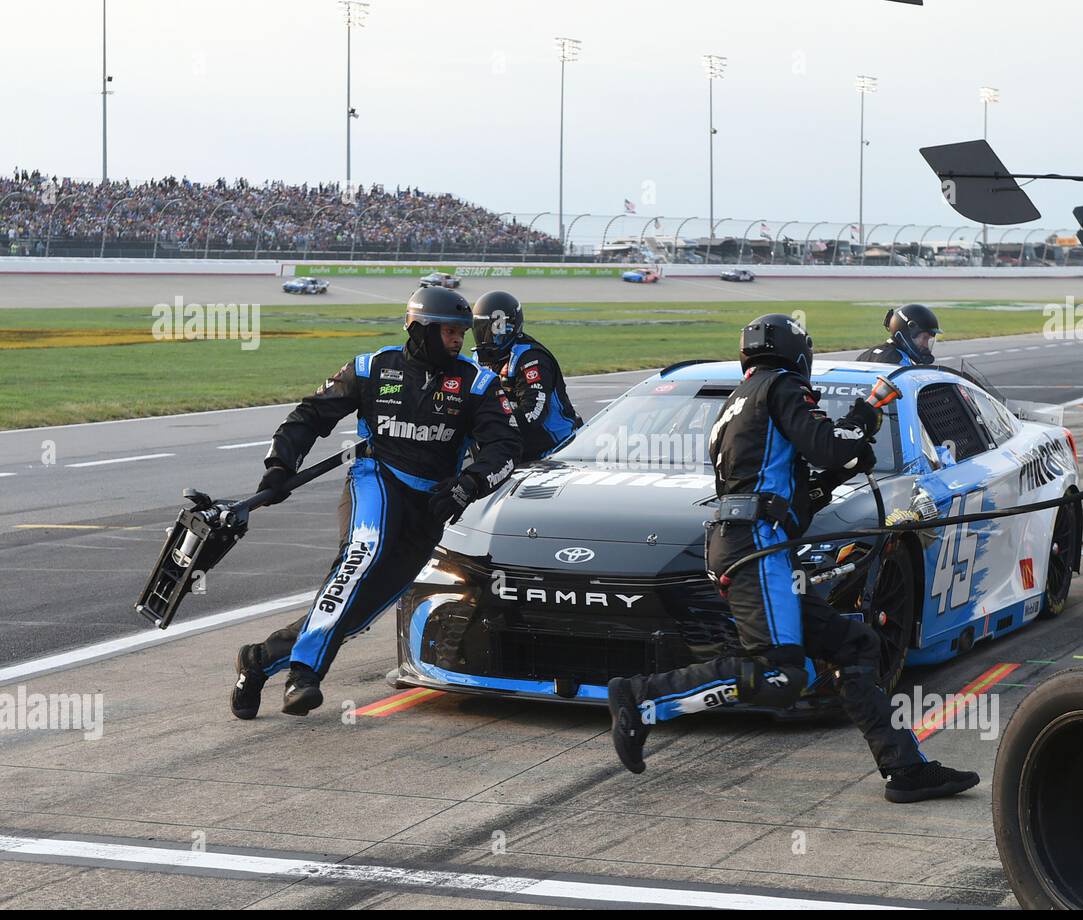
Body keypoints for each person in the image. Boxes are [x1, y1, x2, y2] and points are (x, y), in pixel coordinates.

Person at [606, 313, 980, 803]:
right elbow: (826, 446)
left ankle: (905, 768)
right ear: (798, 357)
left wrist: (839, 470)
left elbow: (785, 487)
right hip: (754, 545)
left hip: (749, 541)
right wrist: (865, 415)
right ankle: (642, 698)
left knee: (855, 644)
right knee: (781, 674)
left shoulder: (736, 404)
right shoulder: (782, 385)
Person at [231, 286, 521, 719]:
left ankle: (258, 661)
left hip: (432, 506)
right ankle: (304, 674)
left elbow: (505, 447)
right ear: (419, 328)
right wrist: (280, 465)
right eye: (449, 332)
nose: (460, 340)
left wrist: (467, 485)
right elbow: (310, 415)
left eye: (462, 332)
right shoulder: (369, 368)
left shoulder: (478, 382)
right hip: (376, 480)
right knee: (360, 559)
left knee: (359, 611)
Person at [470, 290, 583, 461]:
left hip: (557, 447)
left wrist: (491, 427)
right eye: (482, 329)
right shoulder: (478, 358)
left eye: (495, 329)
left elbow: (533, 414)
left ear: (511, 327)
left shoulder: (531, 357)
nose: (489, 337)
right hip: (517, 446)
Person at [856, 304, 942, 366]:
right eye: (924, 338)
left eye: (928, 339)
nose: (926, 345)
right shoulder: (900, 363)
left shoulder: (865, 355)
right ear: (907, 334)